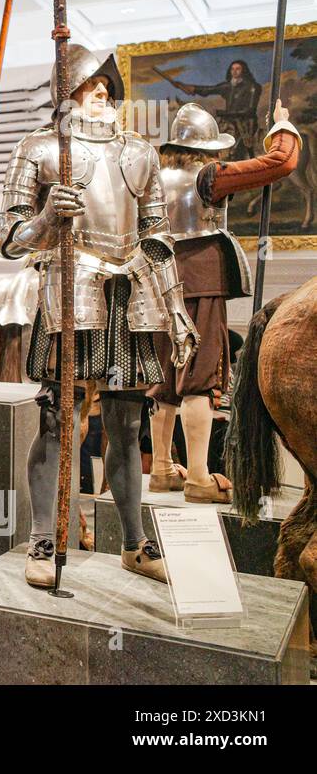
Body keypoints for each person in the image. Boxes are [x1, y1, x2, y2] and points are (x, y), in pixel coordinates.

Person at [0, 45, 198, 588]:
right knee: (60, 420)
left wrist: (171, 304)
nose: (102, 92)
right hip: (70, 288)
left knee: (128, 427)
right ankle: (44, 536)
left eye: (108, 85)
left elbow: (157, 230)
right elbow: (6, 236)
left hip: (129, 297)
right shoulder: (38, 149)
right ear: (68, 94)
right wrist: (42, 219)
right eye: (90, 85)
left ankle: (133, 543)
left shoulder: (141, 153)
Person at [148, 101, 301, 503]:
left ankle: (163, 468)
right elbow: (279, 163)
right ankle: (198, 476)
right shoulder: (208, 177)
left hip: (160, 283)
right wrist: (282, 126)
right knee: (201, 379)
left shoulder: (156, 177)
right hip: (201, 281)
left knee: (164, 382)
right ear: (207, 150)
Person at [165, 59, 263, 157]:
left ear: (244, 71)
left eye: (238, 69)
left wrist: (223, 113)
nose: (234, 71)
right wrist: (182, 86)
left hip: (245, 124)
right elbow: (207, 90)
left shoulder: (252, 87)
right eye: (232, 69)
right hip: (230, 123)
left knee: (243, 151)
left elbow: (250, 111)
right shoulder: (228, 86)